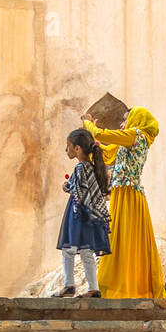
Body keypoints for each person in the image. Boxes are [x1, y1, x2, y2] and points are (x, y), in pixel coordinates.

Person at [81, 106, 165, 299]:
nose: (122, 124)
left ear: (137, 119)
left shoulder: (136, 135)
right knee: (123, 240)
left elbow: (104, 135)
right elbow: (108, 152)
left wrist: (87, 123)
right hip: (126, 194)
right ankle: (125, 285)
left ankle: (116, 286)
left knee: (120, 239)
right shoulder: (131, 140)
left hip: (128, 194)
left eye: (125, 119)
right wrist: (92, 137)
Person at [55, 128, 112, 298]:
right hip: (91, 215)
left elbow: (79, 192)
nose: (67, 150)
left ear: (78, 148)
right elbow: (89, 190)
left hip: (79, 212)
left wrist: (67, 187)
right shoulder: (92, 167)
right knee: (86, 251)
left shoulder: (80, 167)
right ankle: (93, 288)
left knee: (69, 249)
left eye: (68, 146)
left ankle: (69, 285)